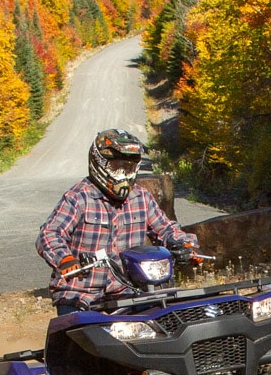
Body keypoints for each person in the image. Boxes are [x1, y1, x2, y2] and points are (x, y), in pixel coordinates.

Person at [37, 129, 200, 315]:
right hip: (79, 293)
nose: (123, 174)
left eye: (128, 168)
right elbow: (49, 233)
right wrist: (64, 258)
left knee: (163, 319)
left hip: (126, 291)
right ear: (99, 163)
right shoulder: (79, 197)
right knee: (79, 330)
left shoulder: (141, 197)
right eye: (117, 167)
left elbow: (166, 228)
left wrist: (186, 244)